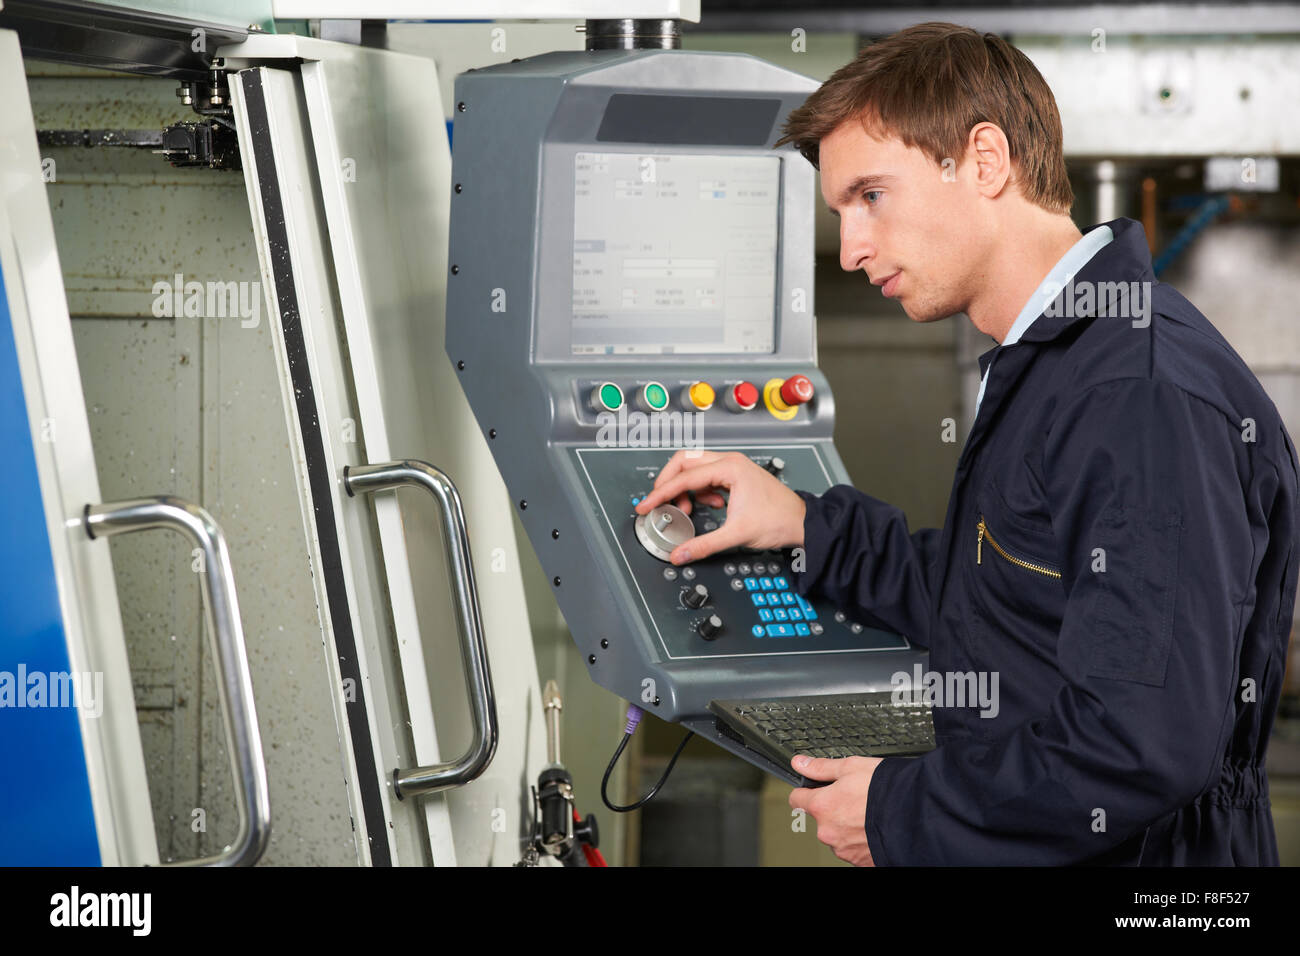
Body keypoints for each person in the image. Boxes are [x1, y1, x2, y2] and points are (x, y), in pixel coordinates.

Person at [634, 21, 1298, 866]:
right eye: (841, 212)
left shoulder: (1138, 392)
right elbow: (1003, 602)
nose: (853, 249)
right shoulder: (1054, 363)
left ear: (985, 162)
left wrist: (901, 811)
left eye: (871, 196)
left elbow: (1140, 740)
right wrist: (806, 525)